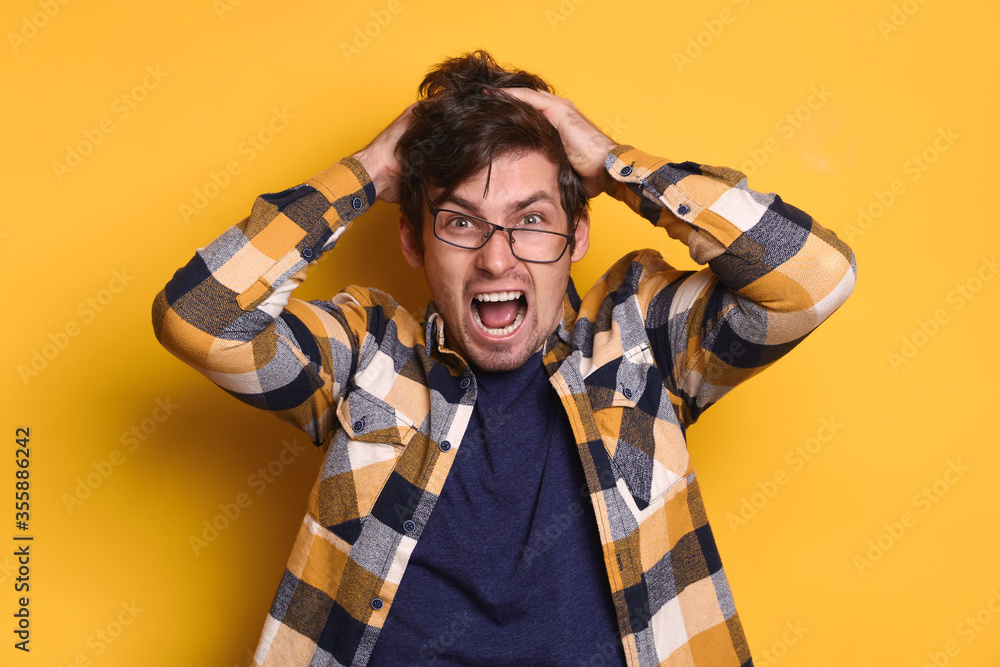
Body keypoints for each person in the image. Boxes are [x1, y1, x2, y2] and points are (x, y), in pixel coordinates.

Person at [152, 51, 856, 666]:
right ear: (412, 241)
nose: (497, 257)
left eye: (531, 219)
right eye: (460, 222)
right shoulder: (365, 351)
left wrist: (614, 164)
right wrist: (367, 169)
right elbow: (198, 316)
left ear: (577, 233)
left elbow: (817, 278)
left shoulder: (642, 335)